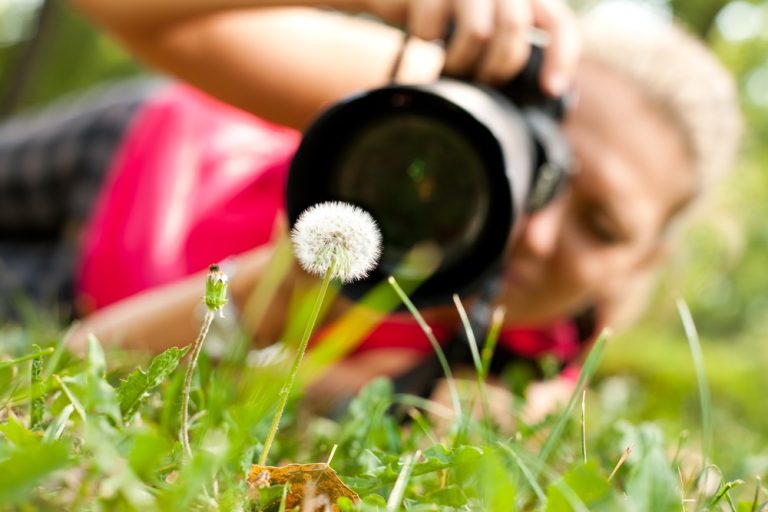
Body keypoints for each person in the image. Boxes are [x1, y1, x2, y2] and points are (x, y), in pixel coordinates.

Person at [0, 0, 741, 414]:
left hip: (97, 300)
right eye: (537, 167)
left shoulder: (508, 371)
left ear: (642, 261)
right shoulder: (419, 95)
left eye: (603, 227)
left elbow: (84, 370)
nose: (536, 230)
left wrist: (286, 293)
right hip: (141, 154)